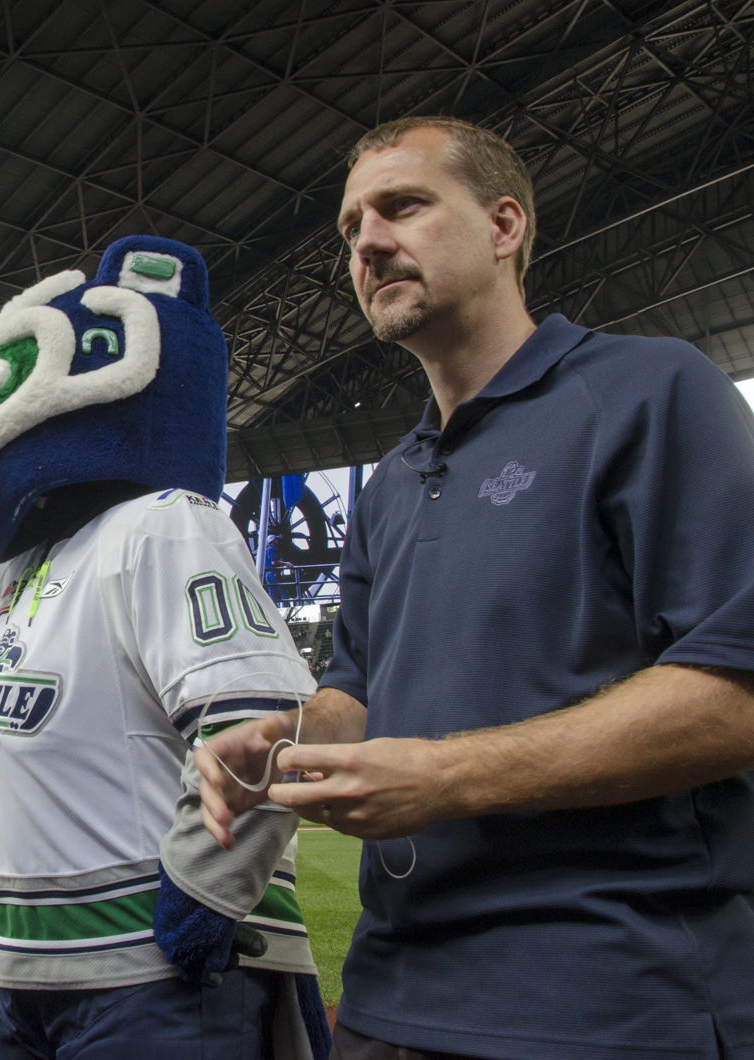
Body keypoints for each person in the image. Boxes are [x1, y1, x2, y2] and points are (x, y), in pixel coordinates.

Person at [197, 115, 754, 1060]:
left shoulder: (653, 391)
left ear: (504, 227)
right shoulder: (390, 483)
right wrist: (287, 735)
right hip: (388, 998)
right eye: (350, 228)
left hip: (608, 1002)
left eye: (402, 206)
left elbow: (735, 696)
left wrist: (447, 776)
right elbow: (359, 692)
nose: (367, 241)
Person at [0, 235, 333, 1059]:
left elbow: (255, 719)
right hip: (23, 970)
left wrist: (200, 897)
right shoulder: (24, 566)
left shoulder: (166, 521)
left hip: (150, 975)